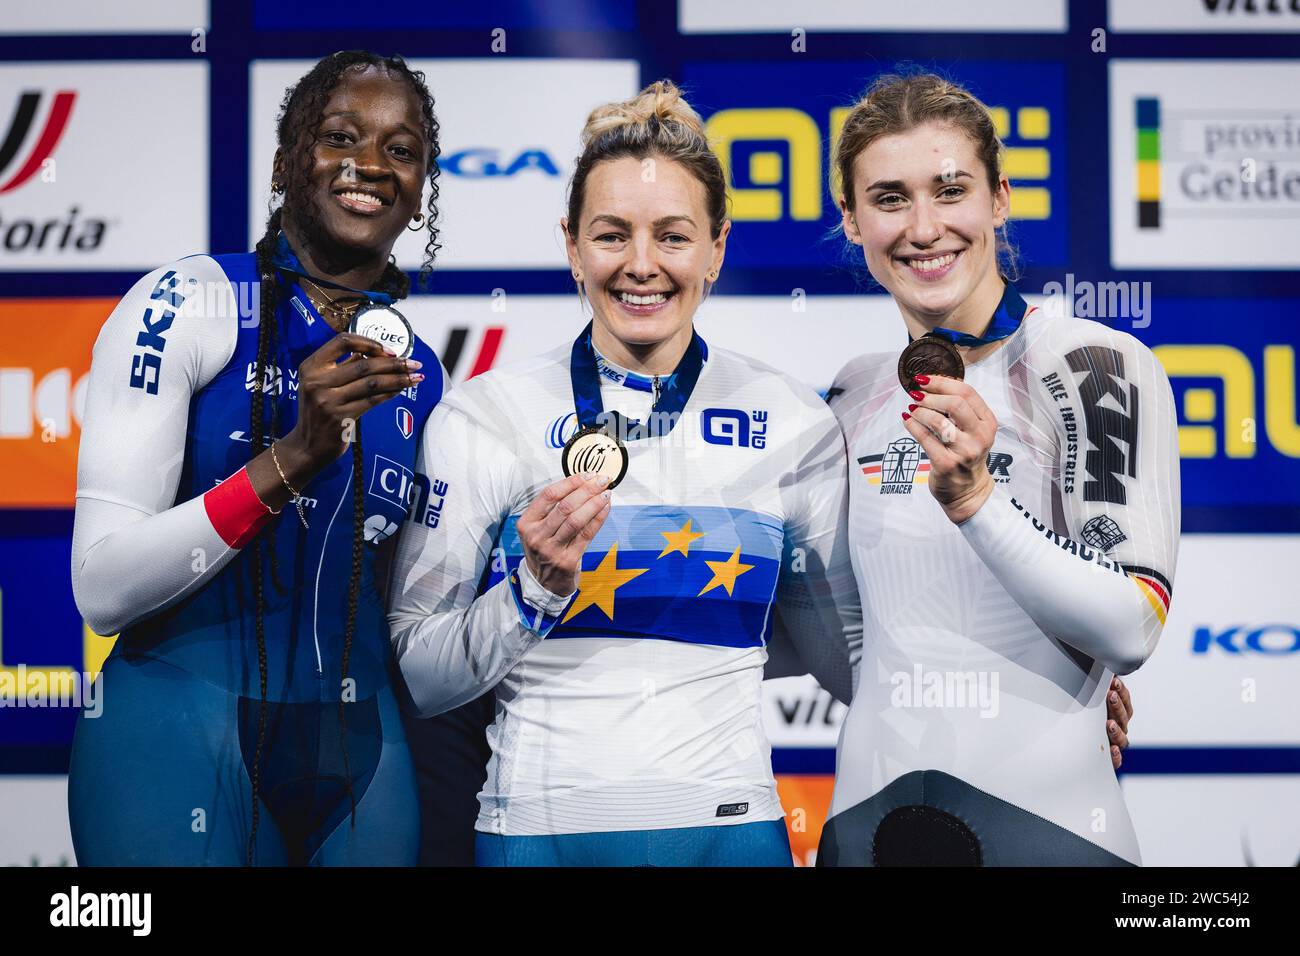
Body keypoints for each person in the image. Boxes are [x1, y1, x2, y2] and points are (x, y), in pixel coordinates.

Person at [386, 80, 861, 867]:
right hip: (536, 838)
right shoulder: (487, 416)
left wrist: (1051, 690)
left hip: (733, 837)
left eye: (673, 237)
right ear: (571, 244)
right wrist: (532, 589)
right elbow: (424, 676)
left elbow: (849, 661)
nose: (642, 266)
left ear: (717, 247)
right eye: (612, 235)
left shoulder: (794, 422)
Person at [68, 51, 446, 866]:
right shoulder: (187, 303)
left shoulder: (423, 373)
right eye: (340, 136)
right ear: (283, 163)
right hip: (176, 740)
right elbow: (100, 588)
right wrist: (293, 458)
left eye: (402, 150)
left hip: (362, 756)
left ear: (421, 190)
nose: (370, 166)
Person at [819, 72, 1178, 866]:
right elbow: (849, 639)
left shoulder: (1091, 364)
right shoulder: (850, 393)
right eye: (888, 198)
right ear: (850, 220)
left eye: (951, 191)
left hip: (1046, 835)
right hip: (861, 833)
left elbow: (1131, 622)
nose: (924, 227)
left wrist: (978, 500)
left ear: (1000, 198)